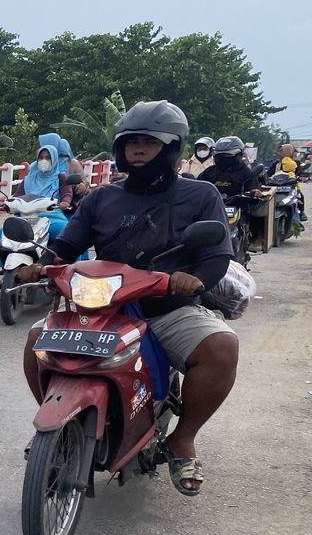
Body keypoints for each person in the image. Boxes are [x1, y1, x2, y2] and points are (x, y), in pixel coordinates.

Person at [17, 100, 238, 497]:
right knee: (36, 341)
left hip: (167, 307)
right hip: (103, 304)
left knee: (221, 347)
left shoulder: (200, 194)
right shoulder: (102, 197)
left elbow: (217, 256)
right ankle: (57, 423)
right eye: (130, 142)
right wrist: (39, 265)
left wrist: (191, 280)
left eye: (148, 143)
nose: (137, 149)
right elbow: (67, 244)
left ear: (170, 149)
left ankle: (182, 439)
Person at [21, 144, 74, 208]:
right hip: (27, 212)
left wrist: (65, 202)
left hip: (52, 213)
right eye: (41, 157)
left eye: (48, 158)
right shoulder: (29, 178)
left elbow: (66, 193)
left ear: (54, 160)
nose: (44, 160)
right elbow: (18, 195)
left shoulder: (60, 177)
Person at [39, 132, 88, 199]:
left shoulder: (72, 163)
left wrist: (82, 185)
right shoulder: (39, 164)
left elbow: (85, 184)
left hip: (65, 201)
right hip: (39, 200)